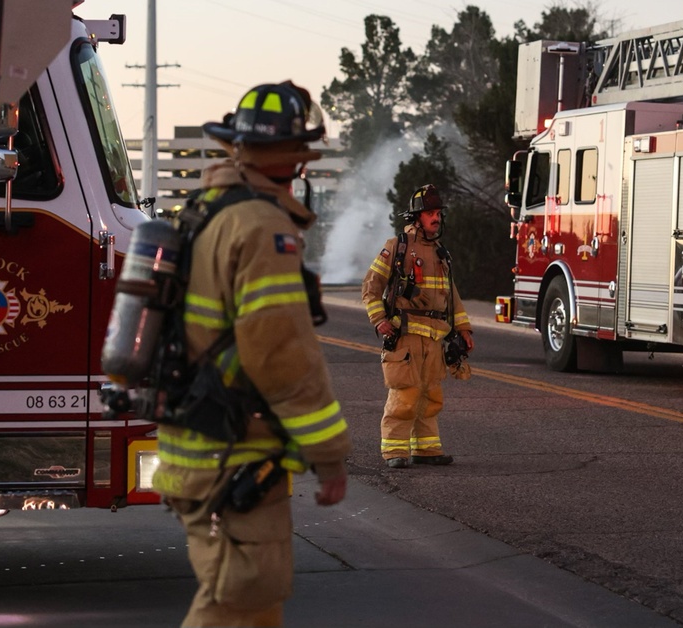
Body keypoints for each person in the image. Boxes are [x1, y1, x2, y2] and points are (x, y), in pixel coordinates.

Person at [152, 81, 351, 628]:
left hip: (201, 445)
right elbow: (281, 355)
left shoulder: (207, 209)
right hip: (232, 456)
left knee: (249, 608)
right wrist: (329, 454)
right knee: (236, 608)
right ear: (296, 159)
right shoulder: (263, 229)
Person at [362, 184, 474, 469]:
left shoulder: (440, 254)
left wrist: (464, 329)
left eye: (438, 213)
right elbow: (370, 288)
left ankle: (426, 449)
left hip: (434, 338)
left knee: (431, 395)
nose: (436, 218)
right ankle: (394, 451)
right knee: (406, 395)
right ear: (416, 218)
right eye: (430, 213)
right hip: (407, 335)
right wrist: (380, 320)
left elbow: (452, 295)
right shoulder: (397, 247)